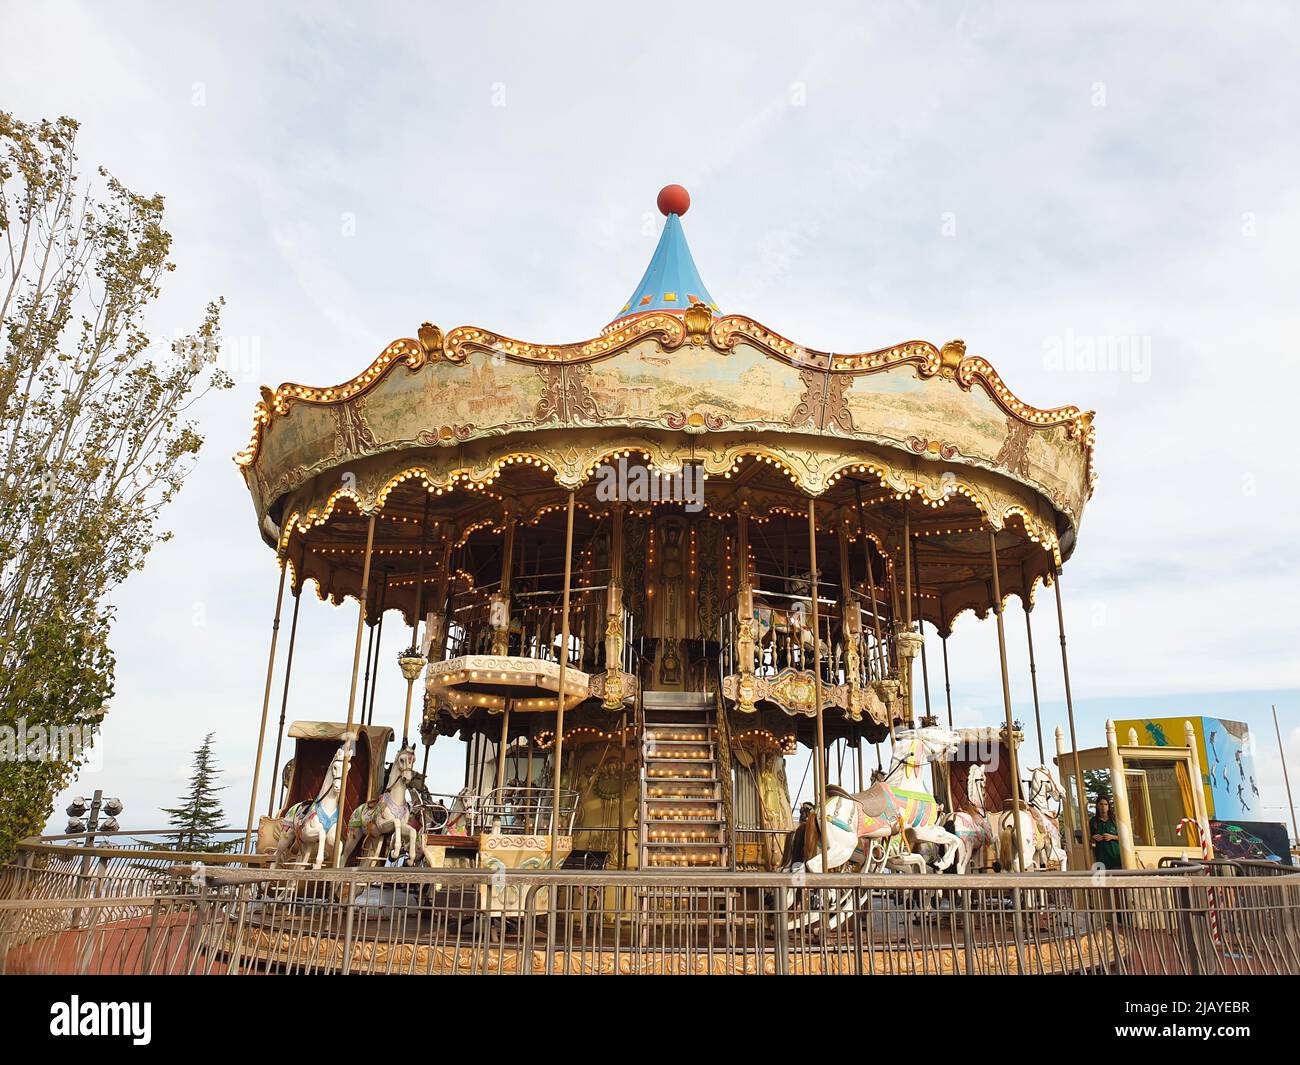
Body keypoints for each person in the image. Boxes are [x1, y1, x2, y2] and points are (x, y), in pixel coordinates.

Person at [1090, 797, 1122, 869]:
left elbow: (1125, 838)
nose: (1103, 807)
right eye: (1101, 804)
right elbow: (1089, 840)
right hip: (1101, 860)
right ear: (1097, 806)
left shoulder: (1115, 820)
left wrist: (1112, 837)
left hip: (1117, 858)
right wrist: (1094, 838)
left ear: (1108, 806)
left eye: (1105, 804)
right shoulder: (1093, 821)